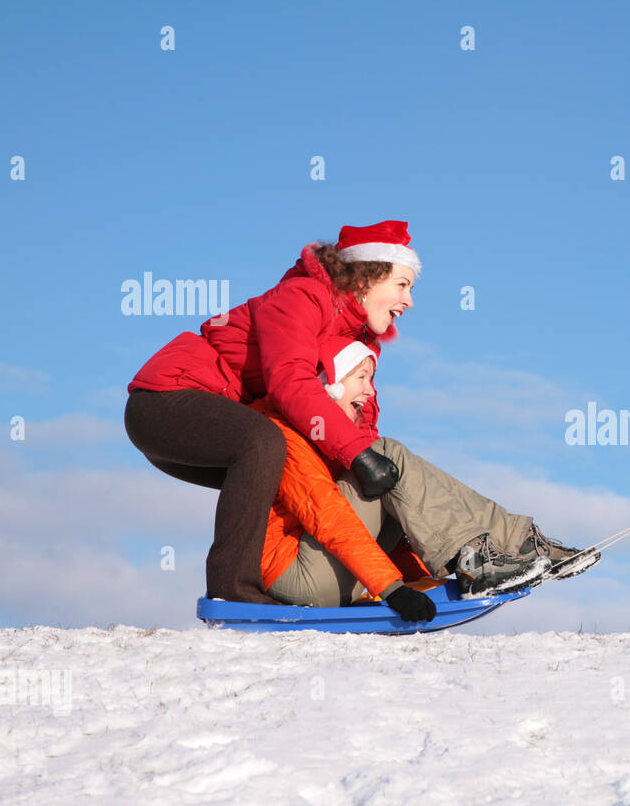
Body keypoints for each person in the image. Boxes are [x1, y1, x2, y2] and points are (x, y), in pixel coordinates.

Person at [125, 220, 424, 603]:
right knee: (264, 442)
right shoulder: (303, 296)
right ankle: (232, 591)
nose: (410, 300)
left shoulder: (356, 341)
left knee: (322, 475)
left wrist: (407, 574)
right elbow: (290, 382)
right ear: (366, 279)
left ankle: (324, 582)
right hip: (165, 402)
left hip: (227, 422)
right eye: (402, 284)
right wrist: (358, 454)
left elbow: (356, 424)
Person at [253, 340, 599, 618]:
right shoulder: (287, 434)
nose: (370, 392)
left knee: (385, 466)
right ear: (328, 384)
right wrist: (392, 589)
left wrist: (421, 581)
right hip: (299, 579)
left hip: (325, 573)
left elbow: (395, 514)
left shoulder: (325, 437)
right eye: (360, 378)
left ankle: (517, 543)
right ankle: (477, 560)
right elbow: (331, 519)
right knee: (384, 454)